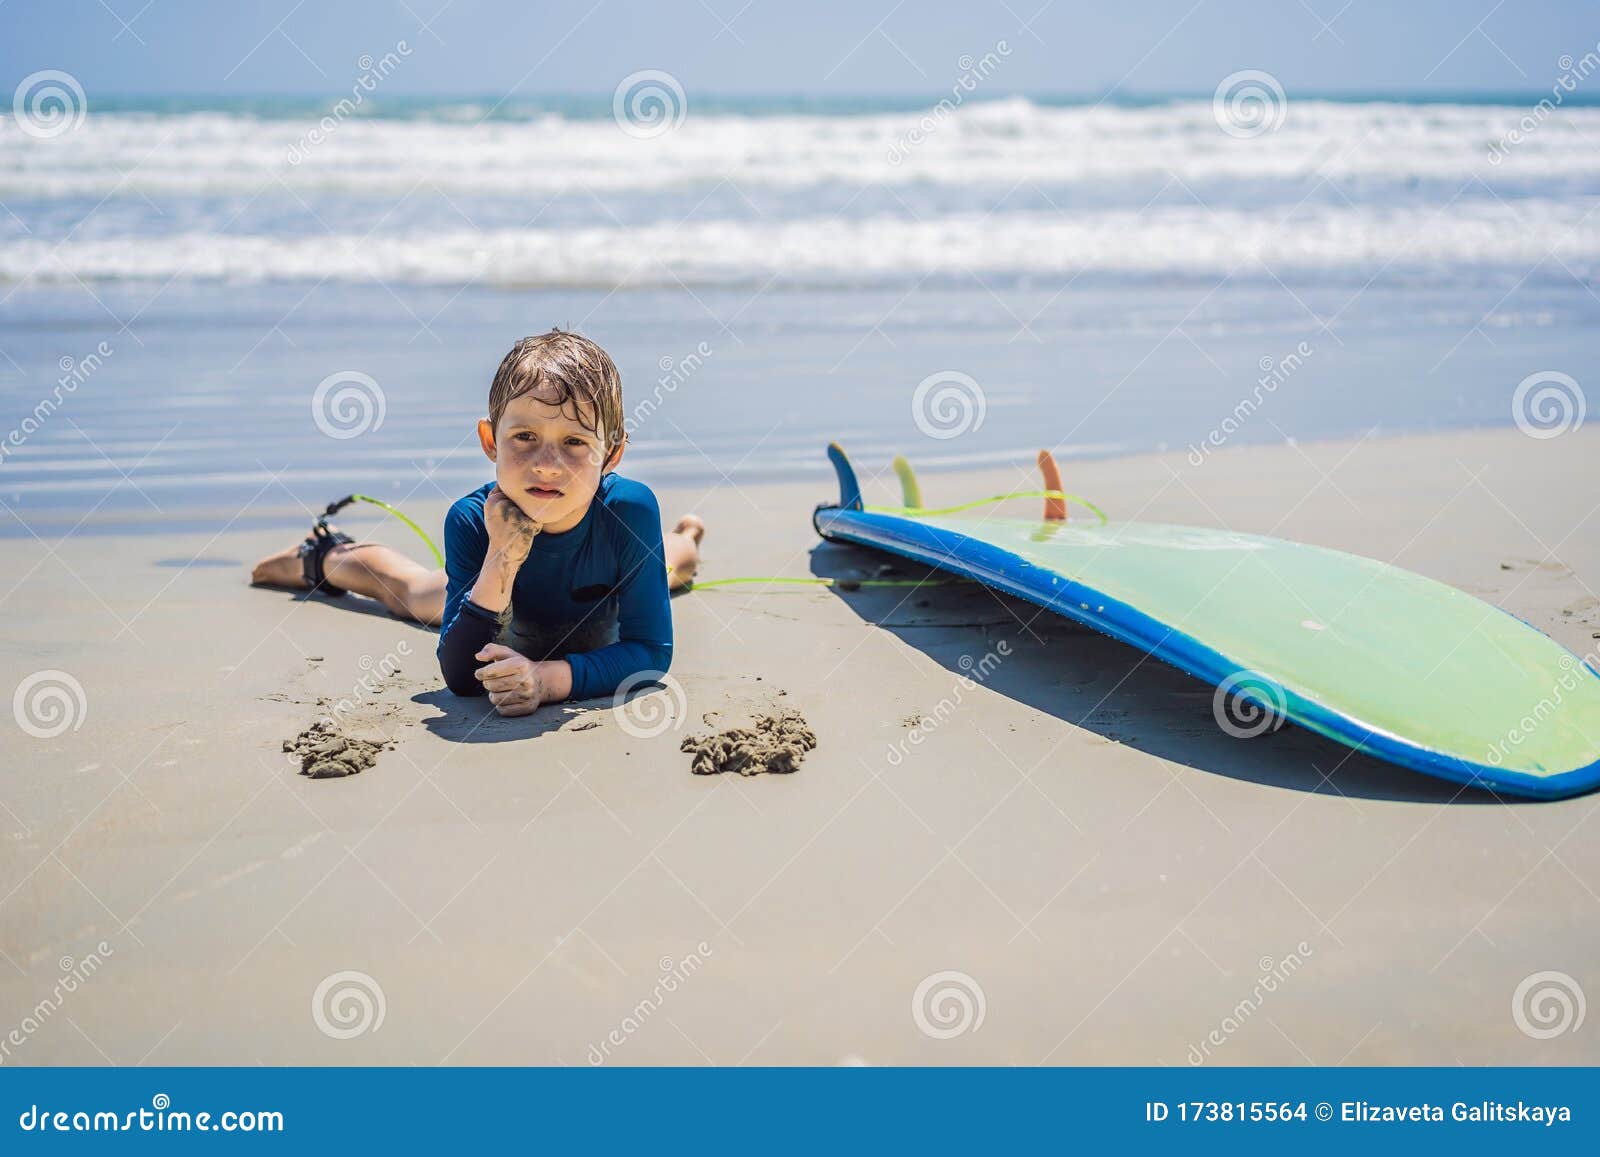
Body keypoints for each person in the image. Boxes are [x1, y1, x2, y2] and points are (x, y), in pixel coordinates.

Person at [250, 330, 705, 717]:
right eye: (525, 437)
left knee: (673, 565)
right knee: (408, 591)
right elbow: (461, 677)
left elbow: (651, 650)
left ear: (612, 454)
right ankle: (325, 555)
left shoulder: (630, 510)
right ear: (490, 440)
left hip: (604, 605)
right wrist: (502, 556)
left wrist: (547, 680)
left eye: (574, 442)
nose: (547, 465)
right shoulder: (471, 521)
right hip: (505, 609)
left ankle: (686, 536)